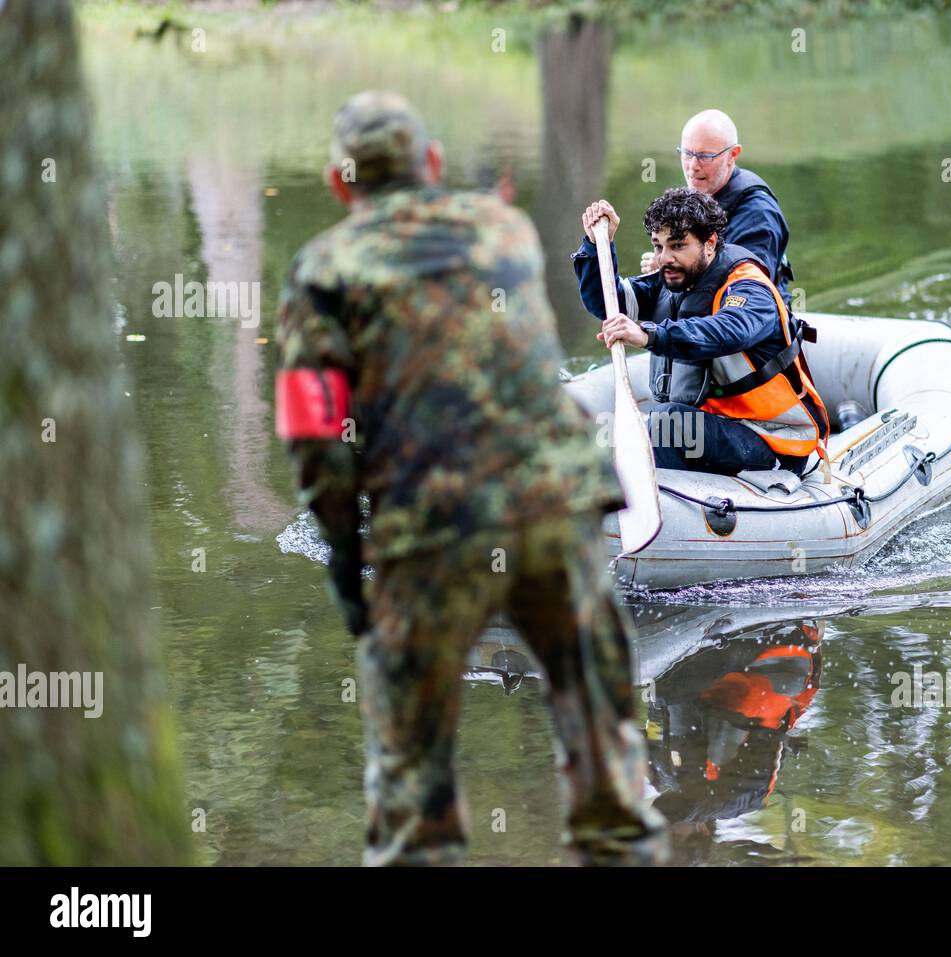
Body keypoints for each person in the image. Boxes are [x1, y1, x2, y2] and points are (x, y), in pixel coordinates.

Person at [275, 90, 665, 866]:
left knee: (412, 798)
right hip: (559, 508)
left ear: (337, 183)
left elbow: (315, 438)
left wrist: (350, 572)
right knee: (610, 785)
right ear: (434, 164)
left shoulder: (321, 271)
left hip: (429, 526)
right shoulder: (504, 230)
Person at [572, 187, 829, 476]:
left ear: (709, 243)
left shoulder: (747, 286)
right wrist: (596, 246)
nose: (665, 258)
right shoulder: (672, 280)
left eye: (678, 246)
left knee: (665, 423)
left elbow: (728, 331)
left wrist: (649, 335)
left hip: (772, 438)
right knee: (645, 426)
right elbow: (609, 302)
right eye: (659, 246)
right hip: (714, 426)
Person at [639, 109, 794, 304]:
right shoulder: (696, 197)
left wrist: (676, 267)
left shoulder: (758, 214)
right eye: (687, 153)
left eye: (705, 156)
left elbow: (748, 290)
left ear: (733, 154)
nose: (693, 166)